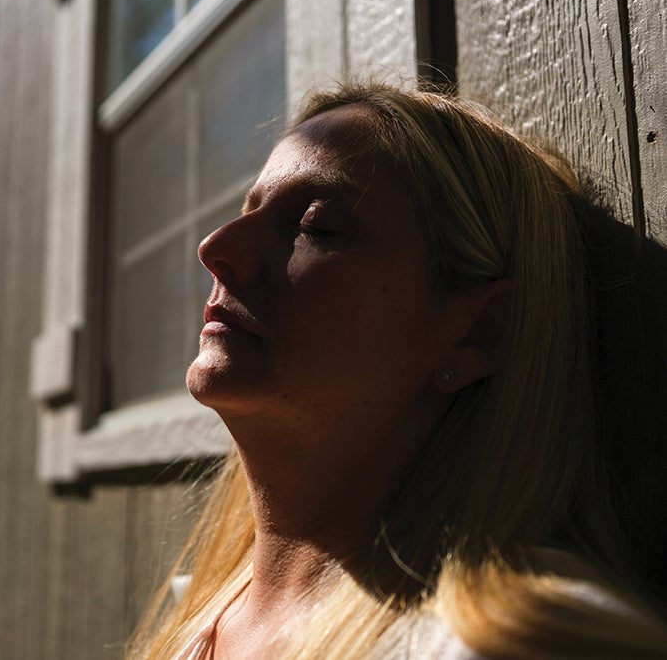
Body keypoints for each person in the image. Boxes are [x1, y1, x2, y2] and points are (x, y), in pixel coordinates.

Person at [127, 81, 667, 658]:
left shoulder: (520, 641)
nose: (215, 247)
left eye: (314, 226)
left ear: (476, 330)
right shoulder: (200, 614)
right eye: (248, 211)